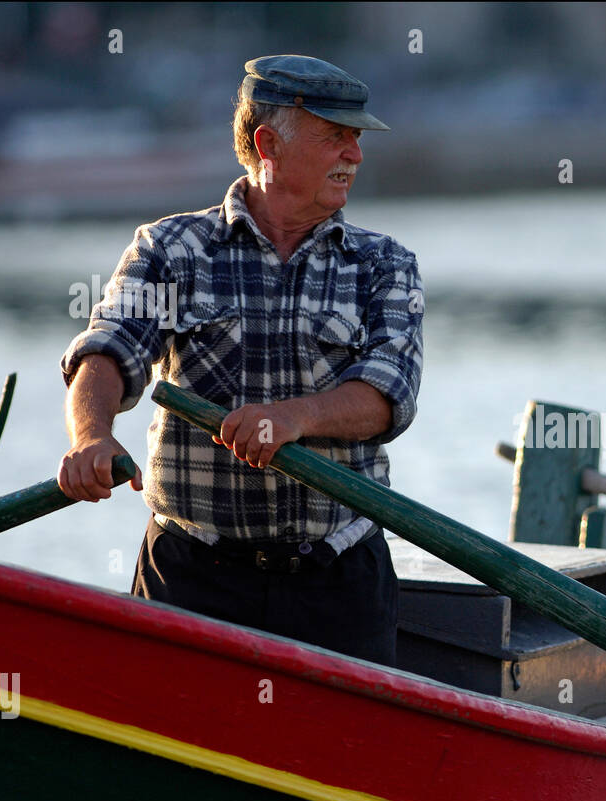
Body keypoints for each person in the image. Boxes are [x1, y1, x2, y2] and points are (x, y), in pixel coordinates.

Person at [56, 55, 423, 667]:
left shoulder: (384, 265)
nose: (355, 156)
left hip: (340, 588)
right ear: (267, 143)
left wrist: (294, 418)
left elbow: (390, 394)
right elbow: (110, 350)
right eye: (336, 136)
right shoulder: (170, 250)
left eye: (357, 139)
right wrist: (91, 437)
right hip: (192, 580)